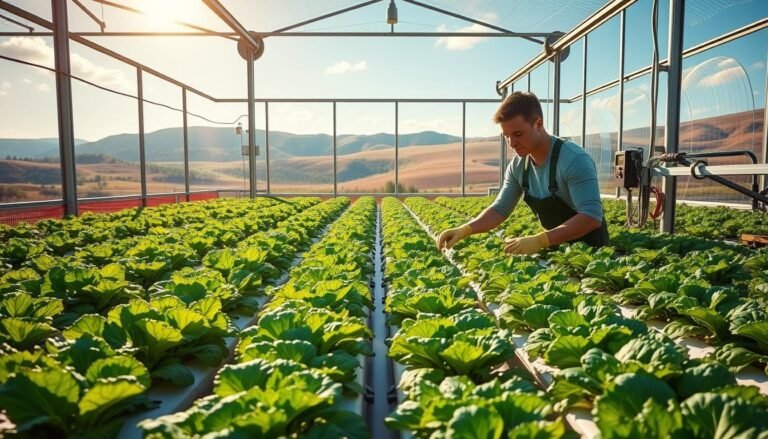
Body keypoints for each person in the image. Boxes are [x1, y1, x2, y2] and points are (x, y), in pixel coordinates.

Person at [437, 91, 608, 255]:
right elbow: (500, 209)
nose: (512, 143)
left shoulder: (574, 160)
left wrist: (540, 240)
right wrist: (465, 229)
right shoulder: (518, 166)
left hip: (591, 252)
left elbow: (591, 216)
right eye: (506, 136)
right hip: (556, 248)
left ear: (538, 124)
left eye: (518, 134)